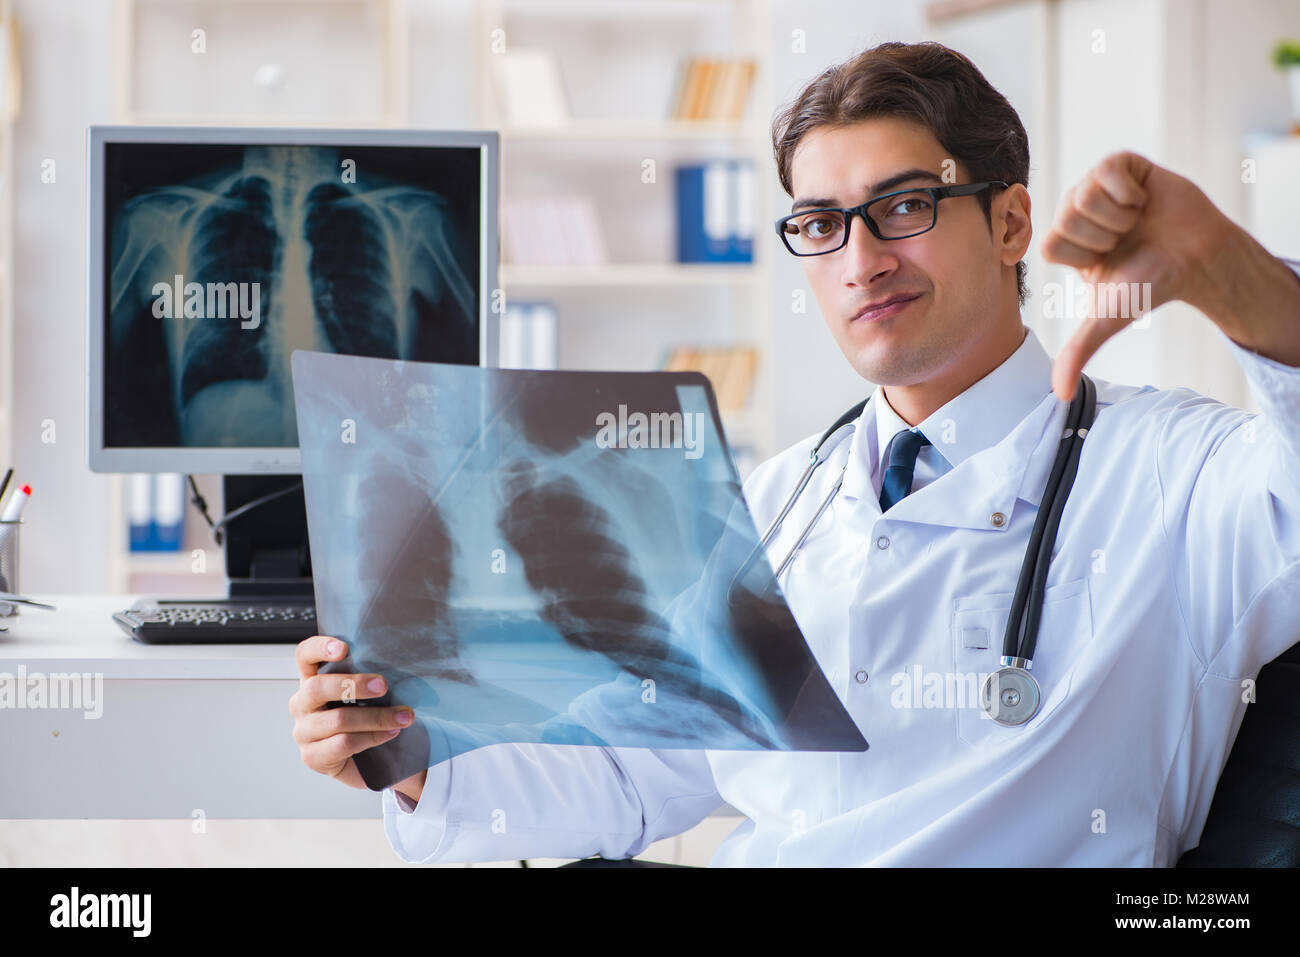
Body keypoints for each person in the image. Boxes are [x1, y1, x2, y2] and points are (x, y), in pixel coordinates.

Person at [288, 40, 1300, 866]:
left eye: (903, 207)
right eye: (821, 224)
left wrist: (1230, 274)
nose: (861, 261)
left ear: (1010, 220)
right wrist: (405, 755)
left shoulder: (1170, 468)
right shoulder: (777, 503)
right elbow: (632, 771)